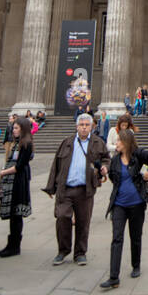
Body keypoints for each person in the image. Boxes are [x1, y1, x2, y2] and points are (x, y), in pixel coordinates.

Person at [99, 127, 148, 290]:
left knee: (135, 236)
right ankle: (114, 277)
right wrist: (103, 172)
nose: (116, 143)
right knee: (116, 238)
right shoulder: (114, 160)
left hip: (136, 203)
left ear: (126, 142)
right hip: (119, 204)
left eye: (119, 140)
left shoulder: (138, 155)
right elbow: (113, 179)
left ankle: (136, 265)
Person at [44, 113, 108, 265]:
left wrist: (105, 167)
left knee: (82, 222)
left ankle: (80, 253)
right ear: (77, 126)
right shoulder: (67, 142)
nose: (84, 127)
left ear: (92, 127)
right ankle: (63, 250)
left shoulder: (98, 143)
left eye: (87, 125)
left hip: (85, 189)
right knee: (62, 217)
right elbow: (56, 166)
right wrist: (51, 186)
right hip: (65, 188)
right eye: (82, 125)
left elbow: (106, 158)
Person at [0, 116, 34, 256]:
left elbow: (19, 165)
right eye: (13, 128)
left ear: (23, 129)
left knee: (16, 213)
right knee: (13, 214)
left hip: (18, 181)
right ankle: (11, 245)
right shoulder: (17, 143)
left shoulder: (26, 144)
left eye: (16, 128)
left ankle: (15, 246)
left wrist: (3, 173)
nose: (13, 130)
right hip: (12, 180)